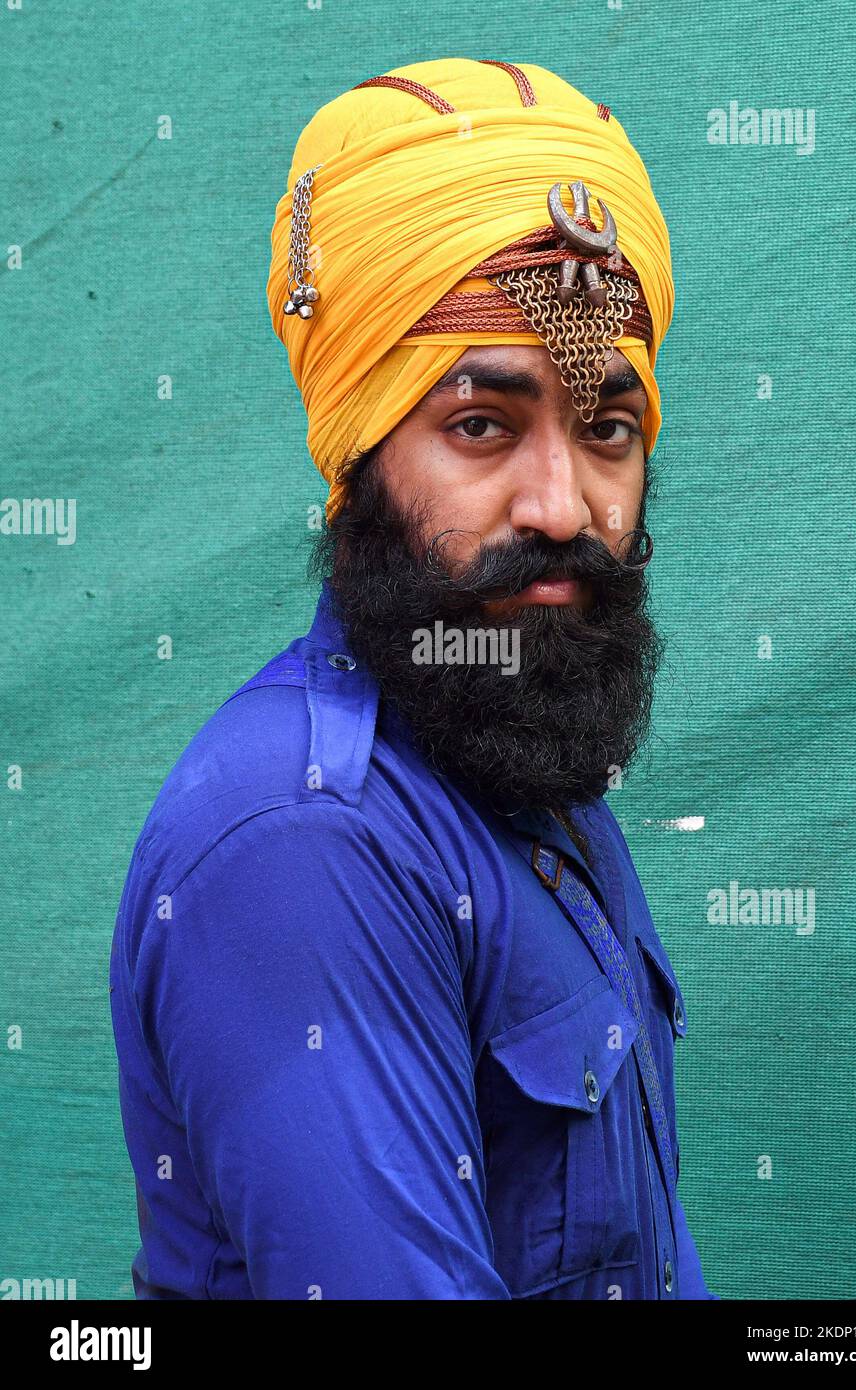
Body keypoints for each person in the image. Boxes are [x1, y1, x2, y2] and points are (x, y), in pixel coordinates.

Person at [109, 57, 718, 1300]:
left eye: (606, 428)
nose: (563, 508)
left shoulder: (519, 756)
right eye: (482, 426)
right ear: (358, 459)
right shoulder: (308, 842)